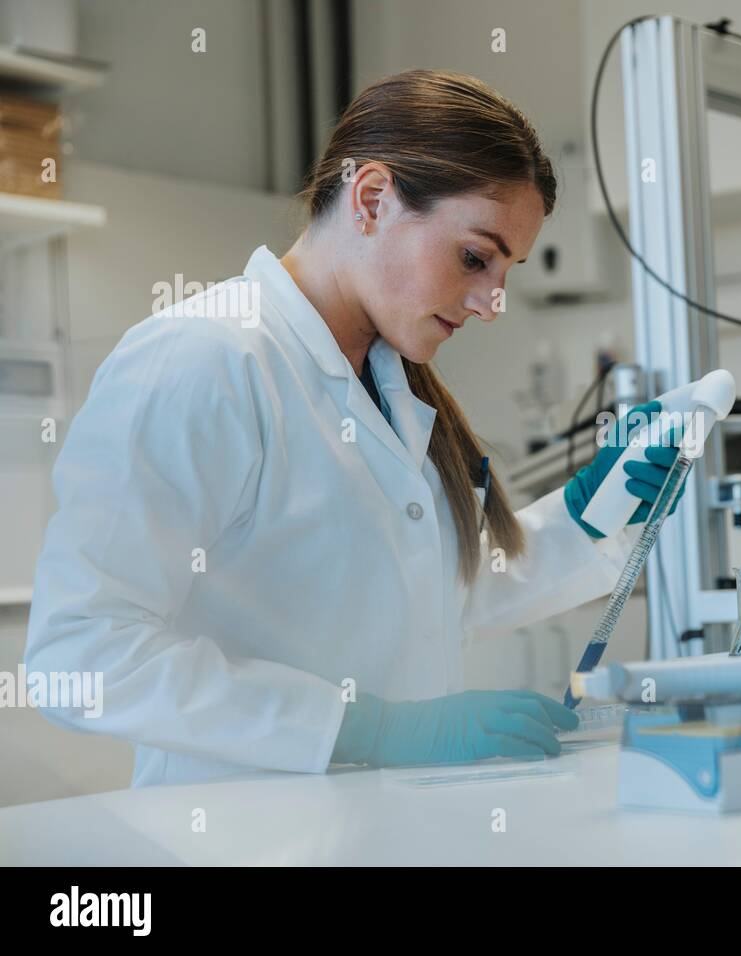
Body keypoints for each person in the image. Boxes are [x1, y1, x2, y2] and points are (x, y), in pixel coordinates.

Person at [25, 70, 683, 787]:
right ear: (371, 198)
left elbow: (427, 597)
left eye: (506, 270)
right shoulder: (204, 358)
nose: (493, 302)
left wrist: (591, 514)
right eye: (475, 257)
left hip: (389, 829)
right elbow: (79, 656)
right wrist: (357, 726)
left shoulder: (388, 381)